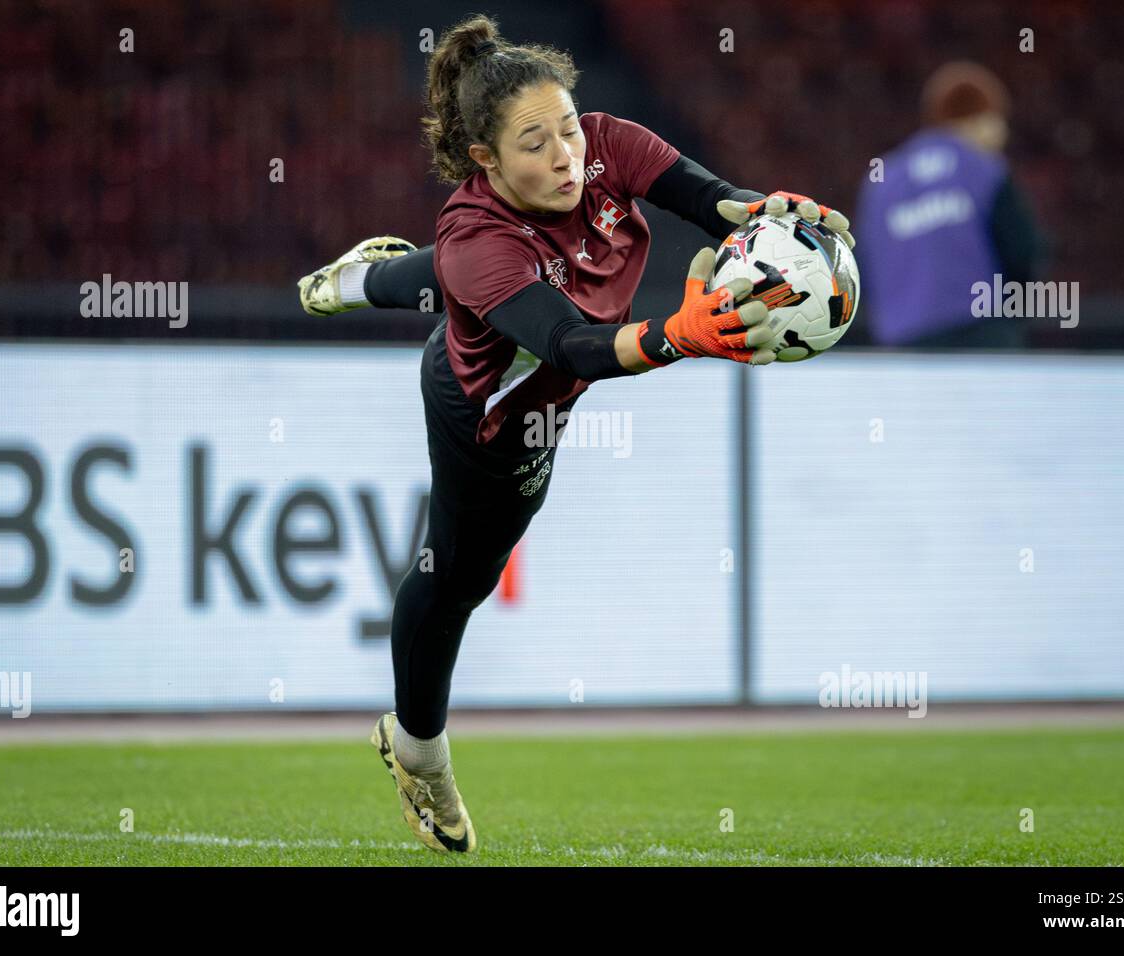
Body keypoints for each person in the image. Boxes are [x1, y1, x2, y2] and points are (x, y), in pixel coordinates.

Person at [296, 15, 853, 854]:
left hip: (501, 318)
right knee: (456, 580)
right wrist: (680, 334)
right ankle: (417, 751)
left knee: (452, 275)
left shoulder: (603, 143)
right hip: (491, 416)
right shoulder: (477, 242)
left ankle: (361, 276)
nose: (567, 157)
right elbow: (571, 347)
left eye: (567, 128)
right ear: (484, 159)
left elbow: (712, 200)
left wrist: (768, 215)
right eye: (536, 144)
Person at [853, 61, 1044, 348]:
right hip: (980, 333)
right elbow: (1023, 252)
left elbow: (861, 269)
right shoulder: (983, 169)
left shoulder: (881, 180)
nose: (1002, 133)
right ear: (976, 119)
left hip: (902, 341)